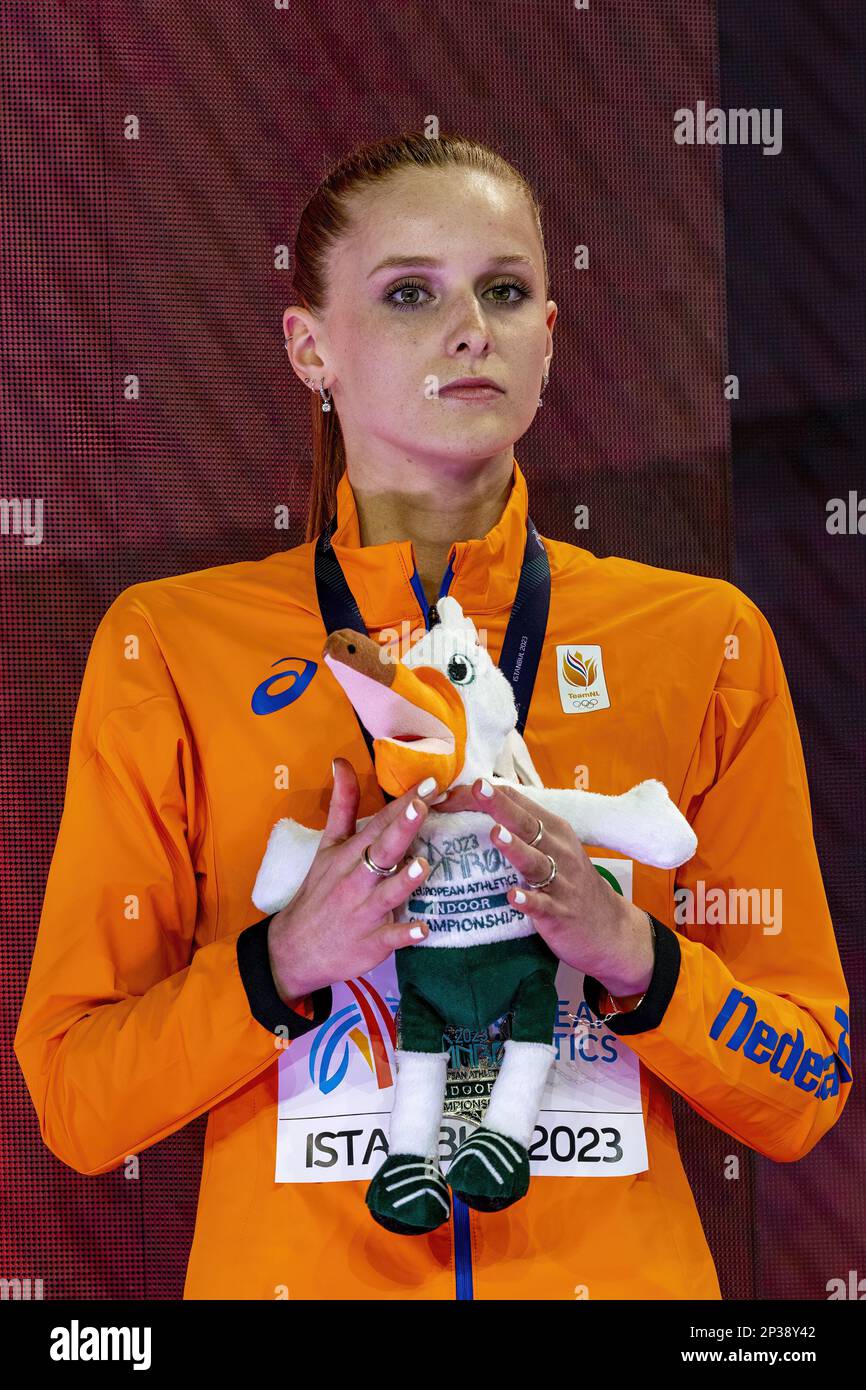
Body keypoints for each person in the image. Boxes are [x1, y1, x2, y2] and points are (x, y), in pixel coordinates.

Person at [14, 131, 852, 1301]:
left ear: (547, 340)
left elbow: (807, 1078)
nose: (471, 327)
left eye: (504, 291)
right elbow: (76, 1100)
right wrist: (281, 963)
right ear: (309, 346)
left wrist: (635, 958)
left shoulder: (700, 638)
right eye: (411, 292)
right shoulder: (171, 643)